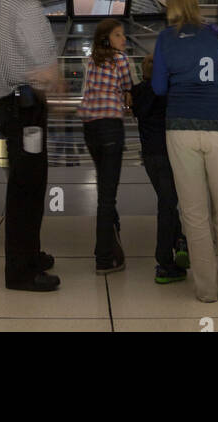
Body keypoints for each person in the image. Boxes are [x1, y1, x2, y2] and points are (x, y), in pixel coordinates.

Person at [151, 0, 218, 302]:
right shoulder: (216, 35)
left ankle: (206, 289)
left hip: (180, 128)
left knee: (193, 213)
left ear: (171, 6)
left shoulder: (166, 38)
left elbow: (158, 88)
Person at [0, 0, 61, 291]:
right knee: (29, 188)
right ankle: (21, 270)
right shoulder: (26, 4)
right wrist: (49, 76)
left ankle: (29, 254)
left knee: (22, 185)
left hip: (7, 105)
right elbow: (27, 63)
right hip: (26, 107)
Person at [79, 18, 132, 274]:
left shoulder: (91, 60)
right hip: (111, 126)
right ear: (106, 38)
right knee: (107, 195)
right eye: (119, 35)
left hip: (90, 127)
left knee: (104, 185)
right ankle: (104, 257)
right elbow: (127, 89)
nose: (124, 39)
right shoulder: (120, 60)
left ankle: (113, 240)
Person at [131, 54, 188, 284]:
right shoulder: (165, 93)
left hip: (149, 156)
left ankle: (179, 242)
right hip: (167, 153)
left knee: (167, 200)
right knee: (167, 204)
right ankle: (164, 262)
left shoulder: (136, 92)